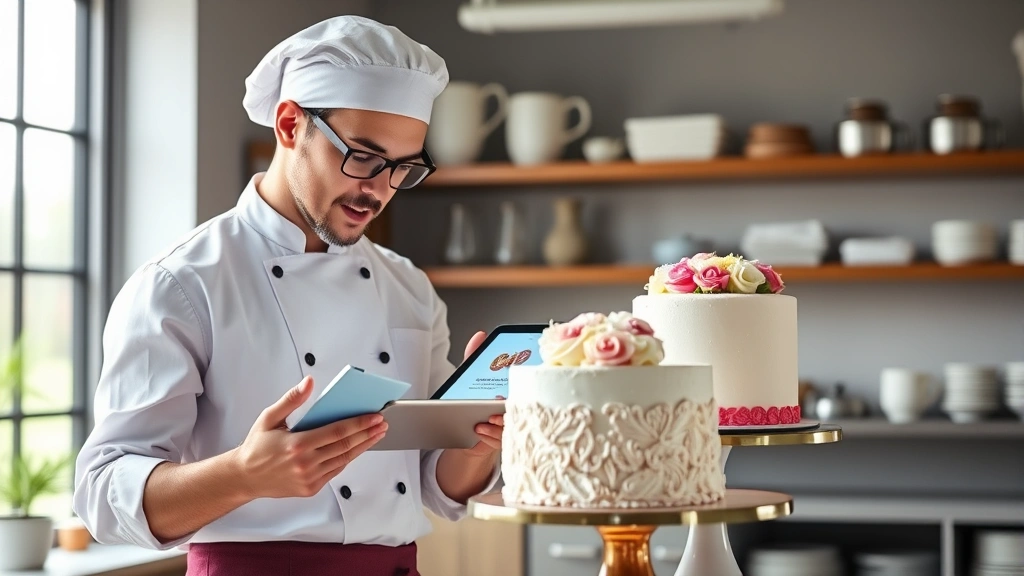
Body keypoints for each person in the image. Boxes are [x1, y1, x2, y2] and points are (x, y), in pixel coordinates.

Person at [73, 15, 503, 576]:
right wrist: (245, 473)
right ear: (289, 123)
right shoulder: (182, 283)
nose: (377, 189)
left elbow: (433, 484)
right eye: (364, 157)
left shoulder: (408, 286)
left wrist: (476, 445)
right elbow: (102, 493)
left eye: (402, 168)